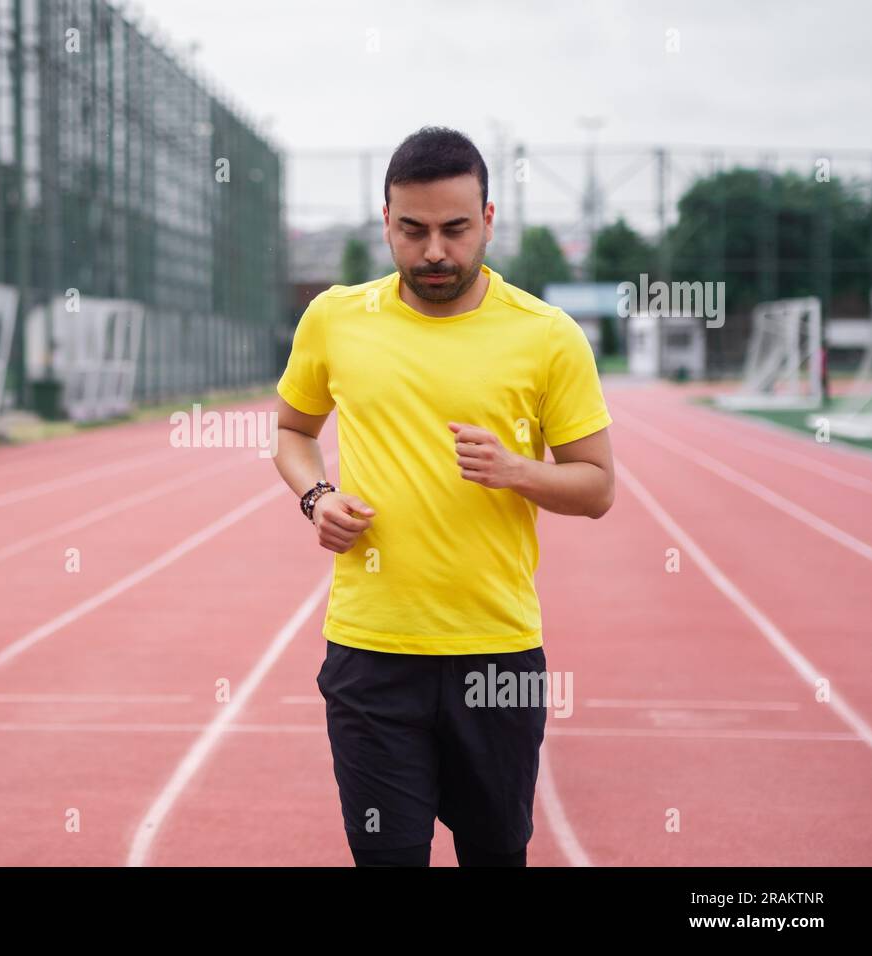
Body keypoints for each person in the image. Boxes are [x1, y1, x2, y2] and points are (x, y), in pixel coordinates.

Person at [271, 126, 615, 867]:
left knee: (496, 856)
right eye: (413, 229)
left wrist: (518, 470)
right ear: (386, 221)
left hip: (496, 656)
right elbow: (292, 434)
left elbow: (596, 487)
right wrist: (316, 497)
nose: (435, 251)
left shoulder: (547, 335)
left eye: (455, 229)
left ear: (488, 220)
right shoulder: (335, 317)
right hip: (371, 654)